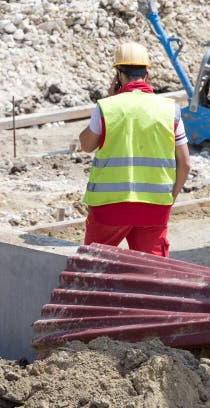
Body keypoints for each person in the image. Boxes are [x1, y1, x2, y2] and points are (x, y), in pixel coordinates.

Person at [78, 42, 191, 257]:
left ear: (118, 75)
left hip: (109, 209)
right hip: (154, 209)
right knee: (152, 270)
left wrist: (110, 100)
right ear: (147, 74)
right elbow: (185, 164)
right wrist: (169, 199)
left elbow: (86, 145)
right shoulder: (170, 110)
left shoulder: (107, 107)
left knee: (94, 264)